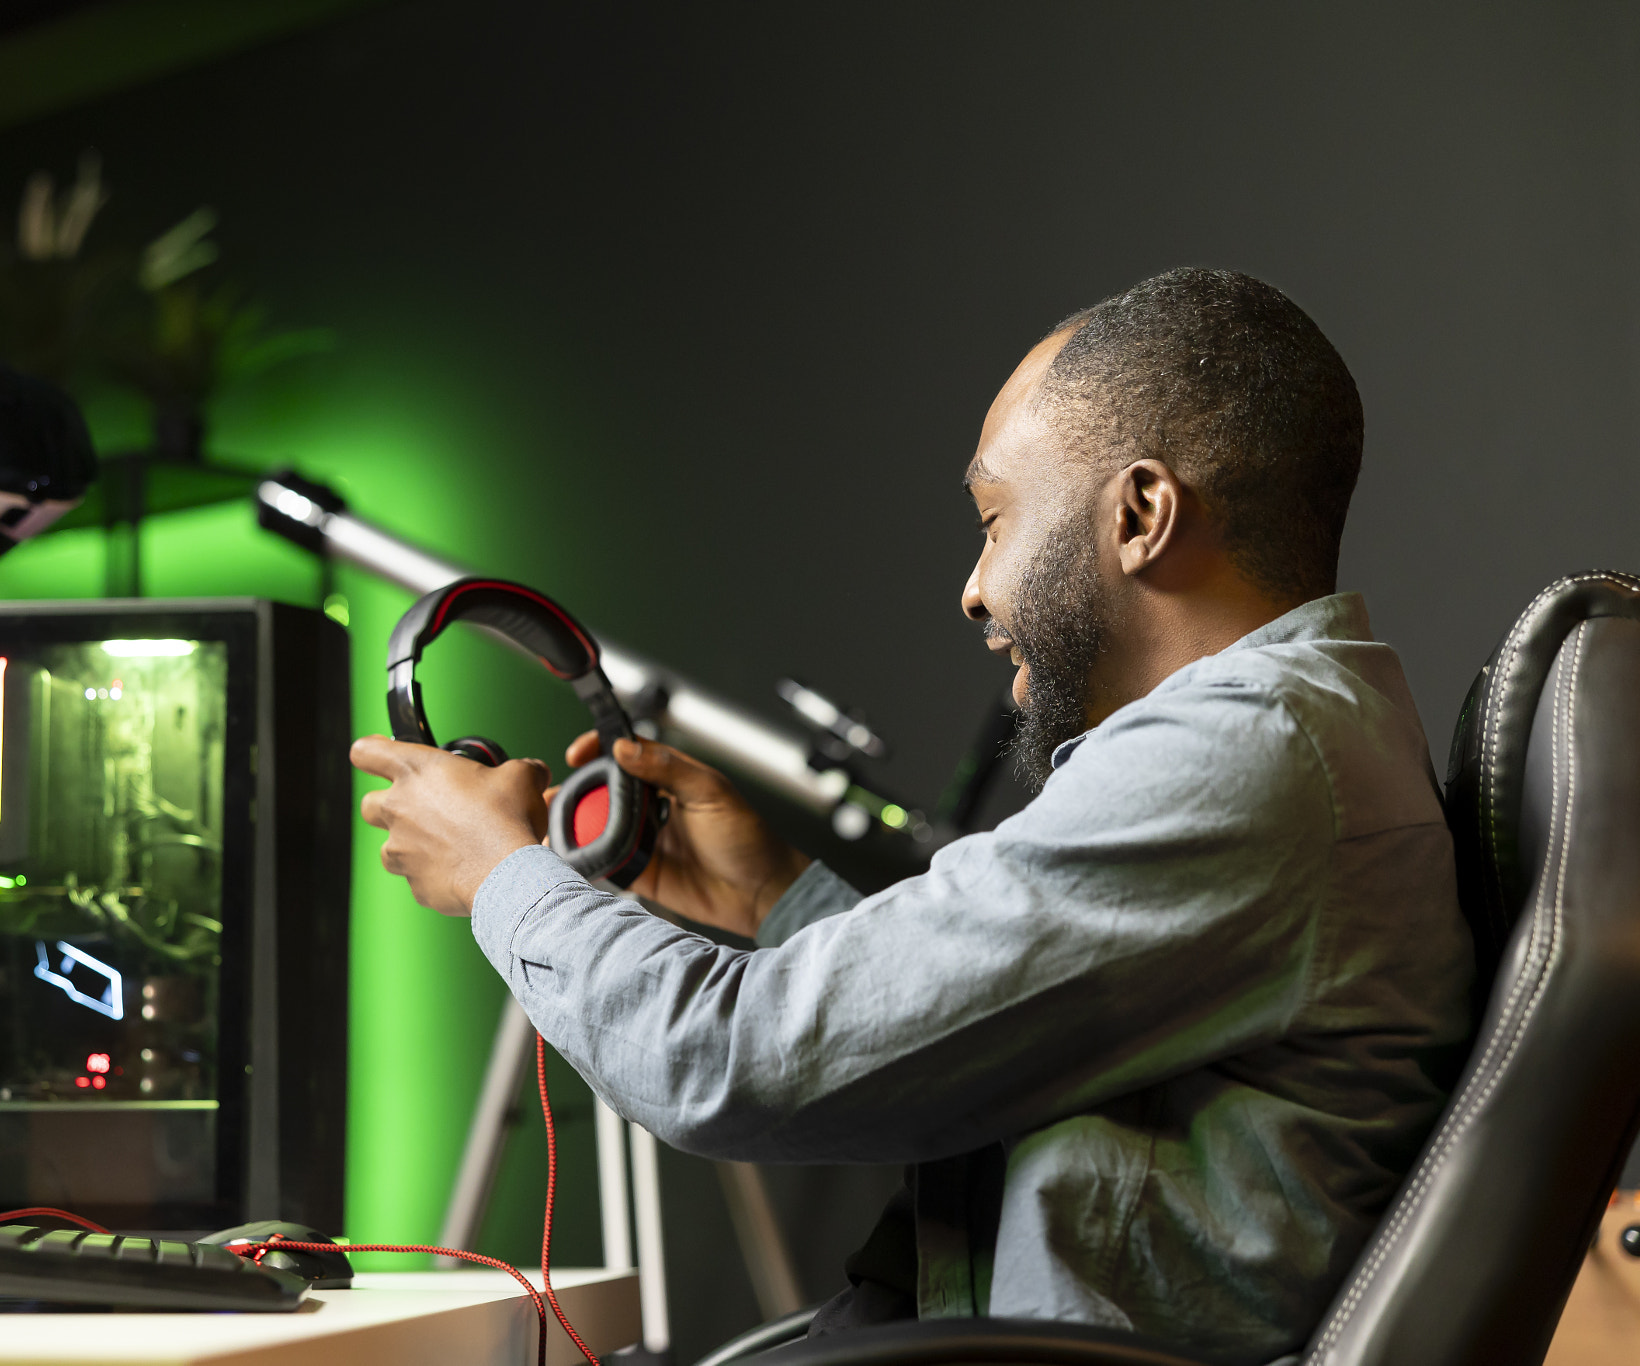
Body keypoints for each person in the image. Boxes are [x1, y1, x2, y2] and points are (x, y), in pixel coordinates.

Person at [349, 267, 1473, 1365]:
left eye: (995, 519)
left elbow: (726, 1064)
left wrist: (501, 870)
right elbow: (985, 1014)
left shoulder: (1243, 755)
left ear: (1138, 514)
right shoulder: (1285, 738)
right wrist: (766, 896)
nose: (975, 588)